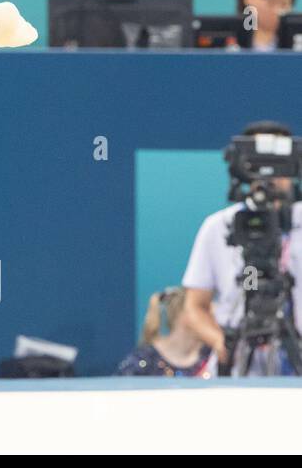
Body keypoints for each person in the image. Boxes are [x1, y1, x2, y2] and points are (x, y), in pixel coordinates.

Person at [182, 120, 302, 375]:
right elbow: (194, 305)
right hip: (237, 363)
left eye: (277, 161)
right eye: (257, 162)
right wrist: (220, 343)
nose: (268, 174)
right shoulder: (219, 226)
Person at [116, 287, 217, 378]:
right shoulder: (144, 361)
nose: (217, 318)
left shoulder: (213, 356)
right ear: (187, 316)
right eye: (205, 312)